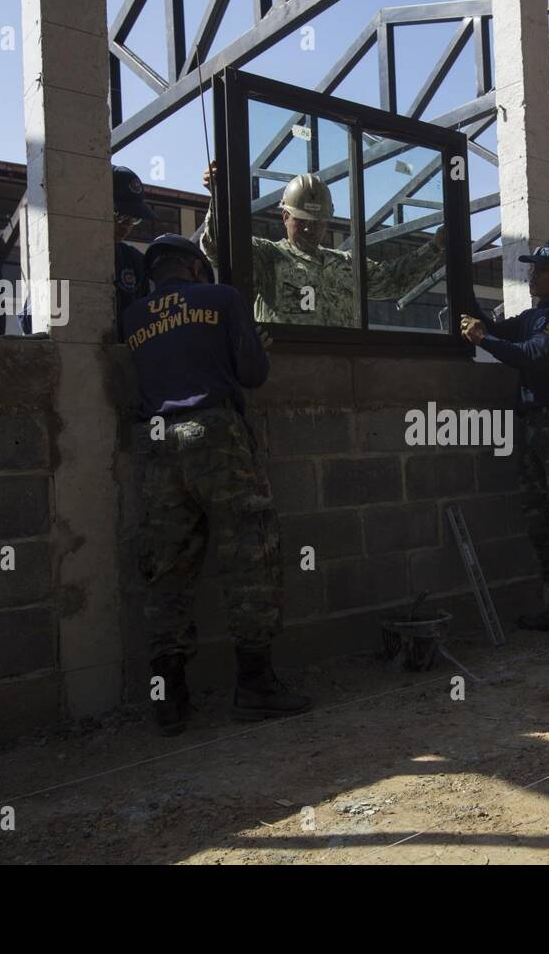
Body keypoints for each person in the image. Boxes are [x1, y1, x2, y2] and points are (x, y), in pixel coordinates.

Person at [119, 233, 311, 736]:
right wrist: (257, 351)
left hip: (155, 441)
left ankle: (168, 699)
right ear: (195, 268)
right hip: (214, 434)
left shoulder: (134, 316)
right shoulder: (223, 298)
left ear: (153, 273)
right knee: (251, 554)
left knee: (168, 568)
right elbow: (250, 373)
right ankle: (254, 686)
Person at [459, 240, 549, 665]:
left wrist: (484, 338)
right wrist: (460, 280)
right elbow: (496, 327)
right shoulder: (532, 317)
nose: (534, 276)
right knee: (540, 519)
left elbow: (531, 357)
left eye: (543, 270)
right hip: (533, 428)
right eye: (532, 269)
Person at [196, 163, 445, 327]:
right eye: (302, 220)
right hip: (286, 372)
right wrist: (217, 199)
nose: (309, 228)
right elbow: (218, 249)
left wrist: (435, 247)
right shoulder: (267, 256)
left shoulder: (345, 263)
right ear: (285, 217)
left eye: (318, 222)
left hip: (344, 373)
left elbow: (393, 280)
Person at [113, 165, 155, 320]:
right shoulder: (64, 257)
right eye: (121, 216)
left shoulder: (134, 261)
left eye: (134, 218)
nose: (127, 225)